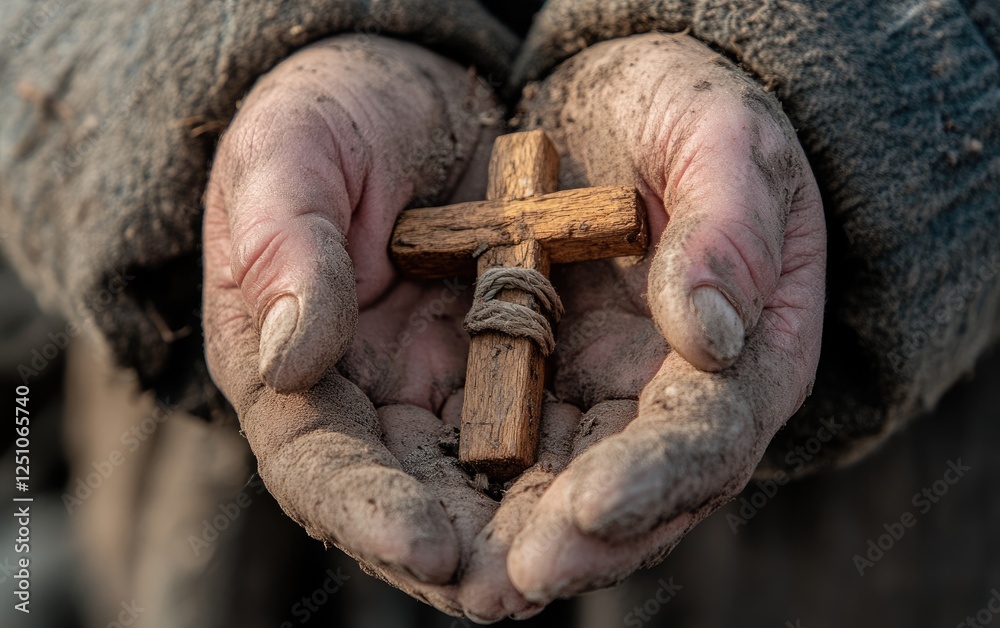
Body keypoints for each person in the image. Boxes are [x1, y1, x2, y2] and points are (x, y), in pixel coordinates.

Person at [1, 0, 997, 623]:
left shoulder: (587, 212)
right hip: (212, 537)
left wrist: (859, 77)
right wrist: (192, 93)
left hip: (861, 538)